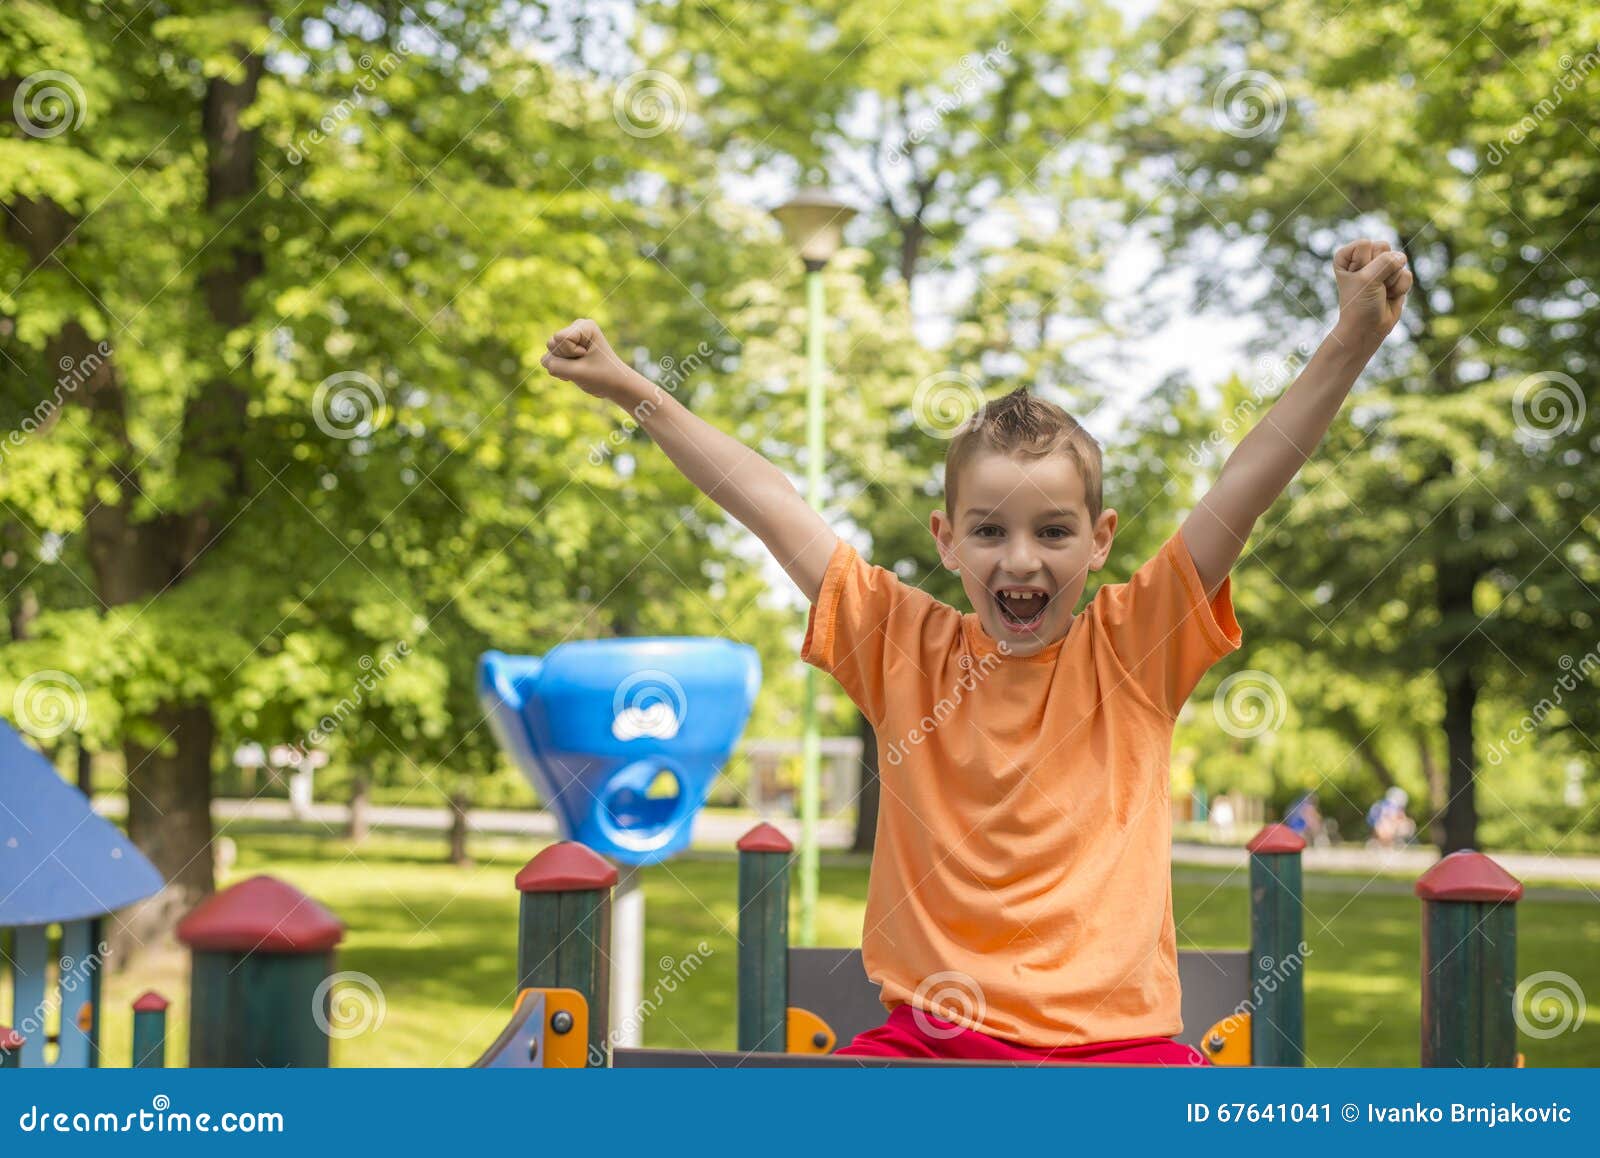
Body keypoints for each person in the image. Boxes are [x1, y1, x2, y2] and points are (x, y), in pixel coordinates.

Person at [539, 238, 1411, 1065]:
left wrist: (1352, 339)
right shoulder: (897, 642)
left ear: (1101, 539)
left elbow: (1247, 481)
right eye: (990, 530)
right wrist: (629, 388)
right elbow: (768, 500)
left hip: (1119, 1051)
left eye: (1053, 530)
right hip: (932, 1042)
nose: (1021, 559)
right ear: (947, 540)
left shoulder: (1138, 645)